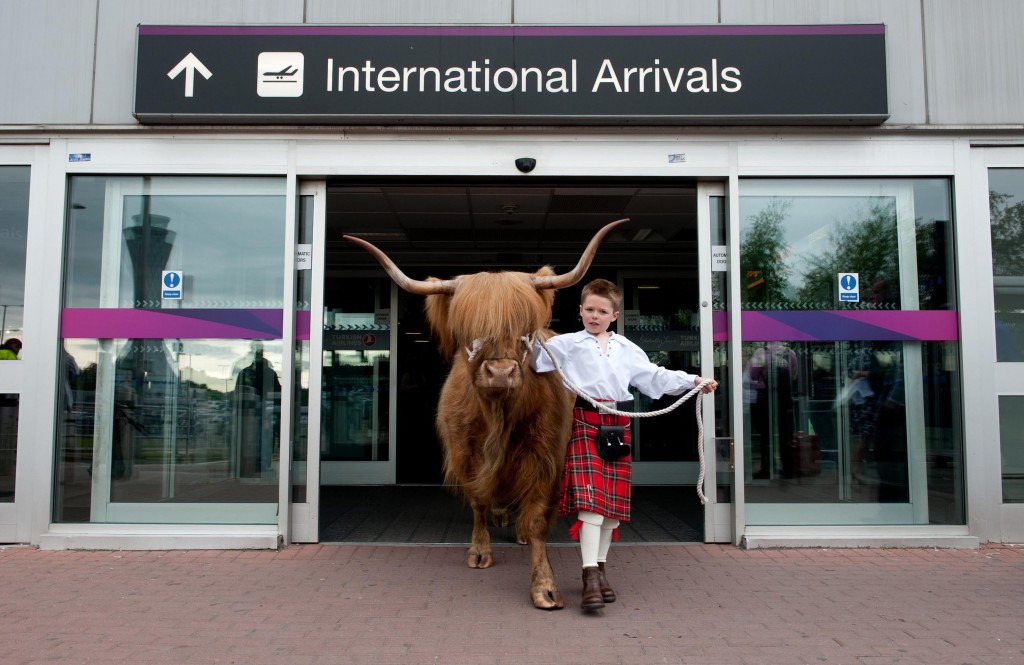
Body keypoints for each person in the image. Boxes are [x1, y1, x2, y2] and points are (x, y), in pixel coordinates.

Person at [531, 278, 717, 611]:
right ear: (580, 310)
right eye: (589, 309)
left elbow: (654, 376)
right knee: (590, 505)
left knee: (610, 513)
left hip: (618, 425)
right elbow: (535, 361)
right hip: (585, 422)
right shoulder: (567, 344)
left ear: (614, 314)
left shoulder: (627, 349)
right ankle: (589, 578)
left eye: (602, 311)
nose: (594, 316)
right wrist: (524, 330)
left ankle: (601, 571)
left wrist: (693, 380)